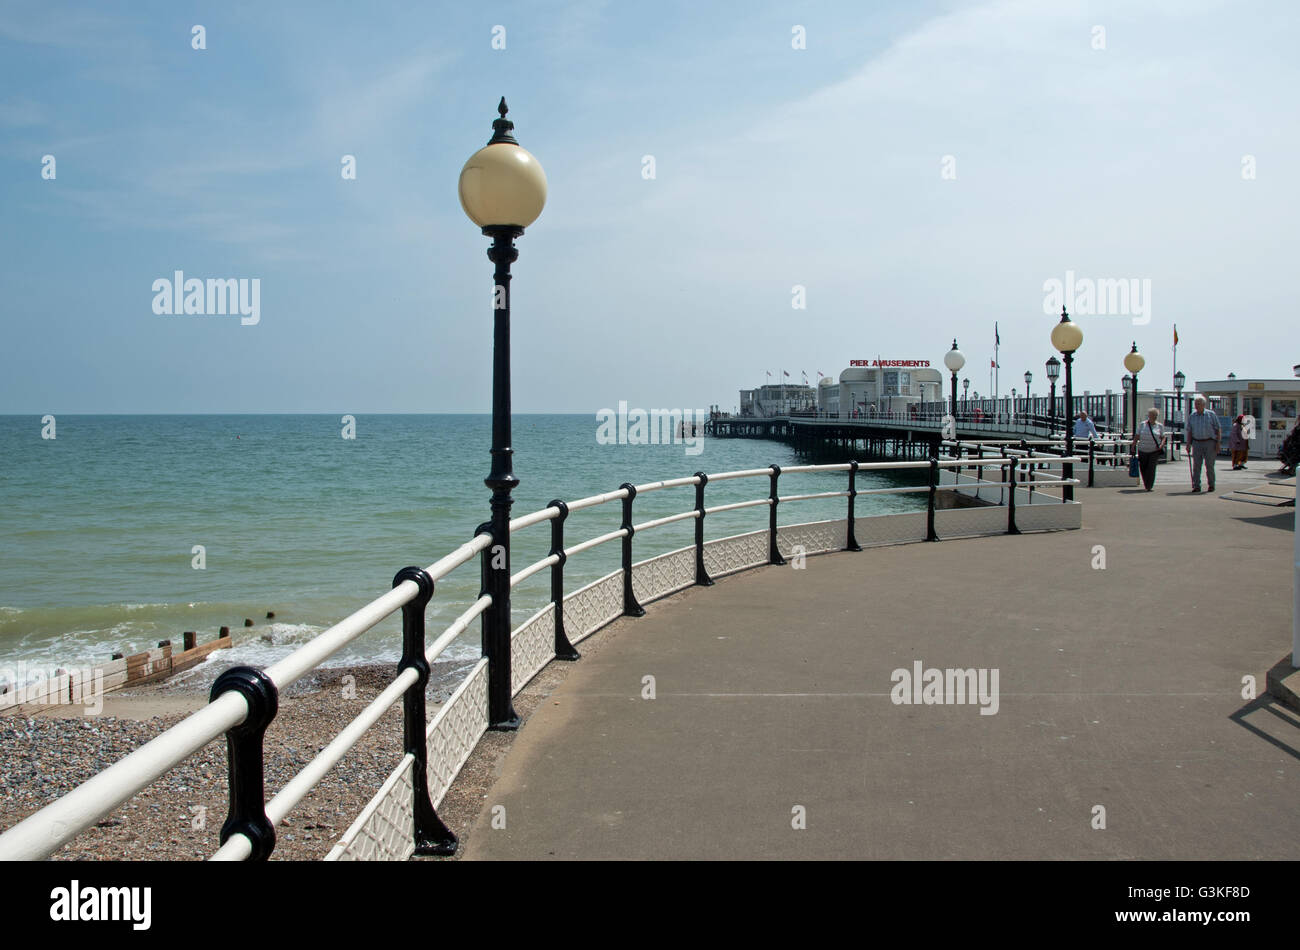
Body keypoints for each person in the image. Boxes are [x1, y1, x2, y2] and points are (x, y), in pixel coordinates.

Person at [1184, 395, 1222, 493]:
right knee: (1196, 466)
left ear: (1204, 405)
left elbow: (1218, 429)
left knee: (1209, 465)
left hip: (1209, 442)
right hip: (1196, 442)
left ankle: (1211, 485)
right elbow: (1189, 431)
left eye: (1199, 404)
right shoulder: (1192, 416)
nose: (1196, 406)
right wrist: (1188, 444)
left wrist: (1218, 443)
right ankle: (1196, 485)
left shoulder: (1211, 414)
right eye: (1196, 404)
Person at [1133, 407, 1166, 491]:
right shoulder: (1142, 424)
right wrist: (1133, 445)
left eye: (1155, 415)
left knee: (1151, 468)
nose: (1153, 417)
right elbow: (1137, 436)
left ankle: (1149, 485)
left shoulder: (1159, 426)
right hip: (1142, 450)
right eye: (1151, 415)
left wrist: (1161, 445)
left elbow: (1163, 437)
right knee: (1143, 467)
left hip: (1154, 451)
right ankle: (1146, 483)